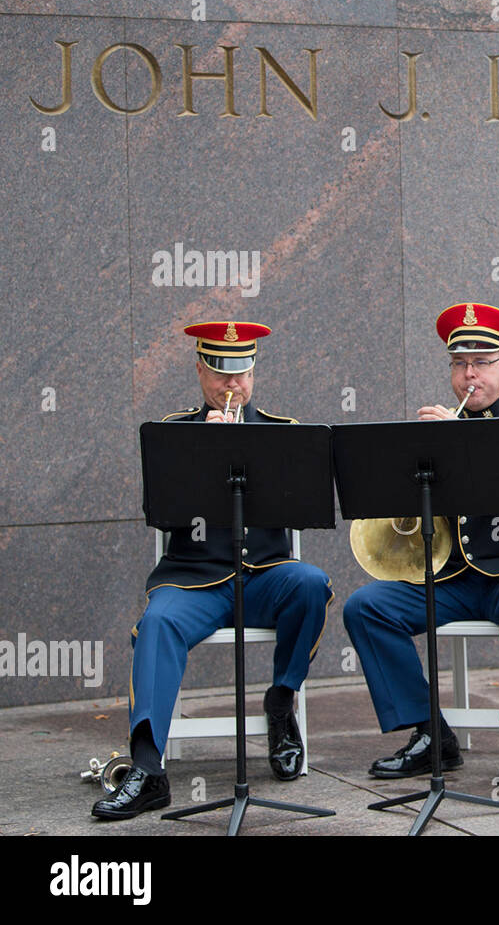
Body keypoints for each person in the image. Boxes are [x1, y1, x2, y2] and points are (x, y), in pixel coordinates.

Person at [92, 321, 333, 820]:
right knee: (156, 623)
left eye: (241, 372)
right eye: (221, 373)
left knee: (312, 583)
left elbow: (305, 509)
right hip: (194, 577)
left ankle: (281, 703)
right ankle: (146, 769)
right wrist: (205, 454)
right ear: (201, 370)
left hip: (265, 575)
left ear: (253, 372)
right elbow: (161, 512)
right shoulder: (175, 434)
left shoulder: (283, 434)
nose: (232, 385)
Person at [344, 302, 499, 788]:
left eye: (481, 363)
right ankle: (432, 734)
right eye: (459, 364)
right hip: (458, 575)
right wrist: (419, 460)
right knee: (366, 607)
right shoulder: (441, 424)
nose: (468, 375)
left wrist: (463, 444)